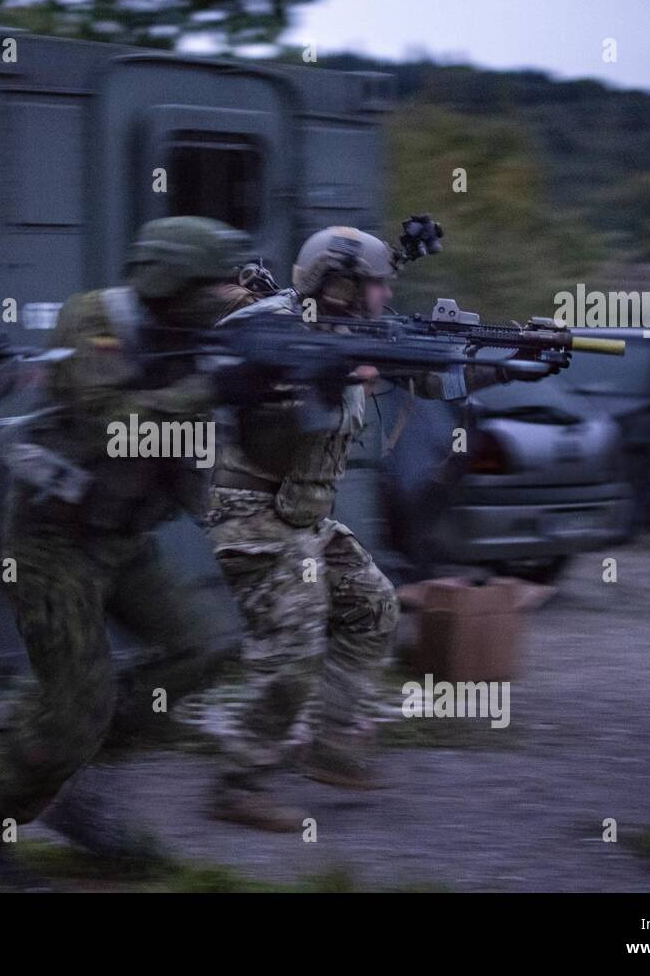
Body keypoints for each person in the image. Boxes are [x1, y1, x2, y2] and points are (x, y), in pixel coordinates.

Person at [0, 216, 258, 890]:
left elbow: (200, 457)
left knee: (204, 645)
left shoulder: (204, 339)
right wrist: (214, 384)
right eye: (221, 284)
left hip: (124, 541)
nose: (235, 296)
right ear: (174, 283)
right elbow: (118, 430)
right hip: (51, 543)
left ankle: (72, 770)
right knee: (78, 703)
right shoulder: (95, 320)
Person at [193, 226, 529, 830]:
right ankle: (238, 782)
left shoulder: (359, 332)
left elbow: (429, 376)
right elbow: (226, 362)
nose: (383, 297)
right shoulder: (272, 324)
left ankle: (332, 742)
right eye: (374, 285)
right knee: (294, 654)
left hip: (304, 516)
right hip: (253, 513)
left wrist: (503, 367)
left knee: (374, 607)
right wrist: (319, 375)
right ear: (337, 284)